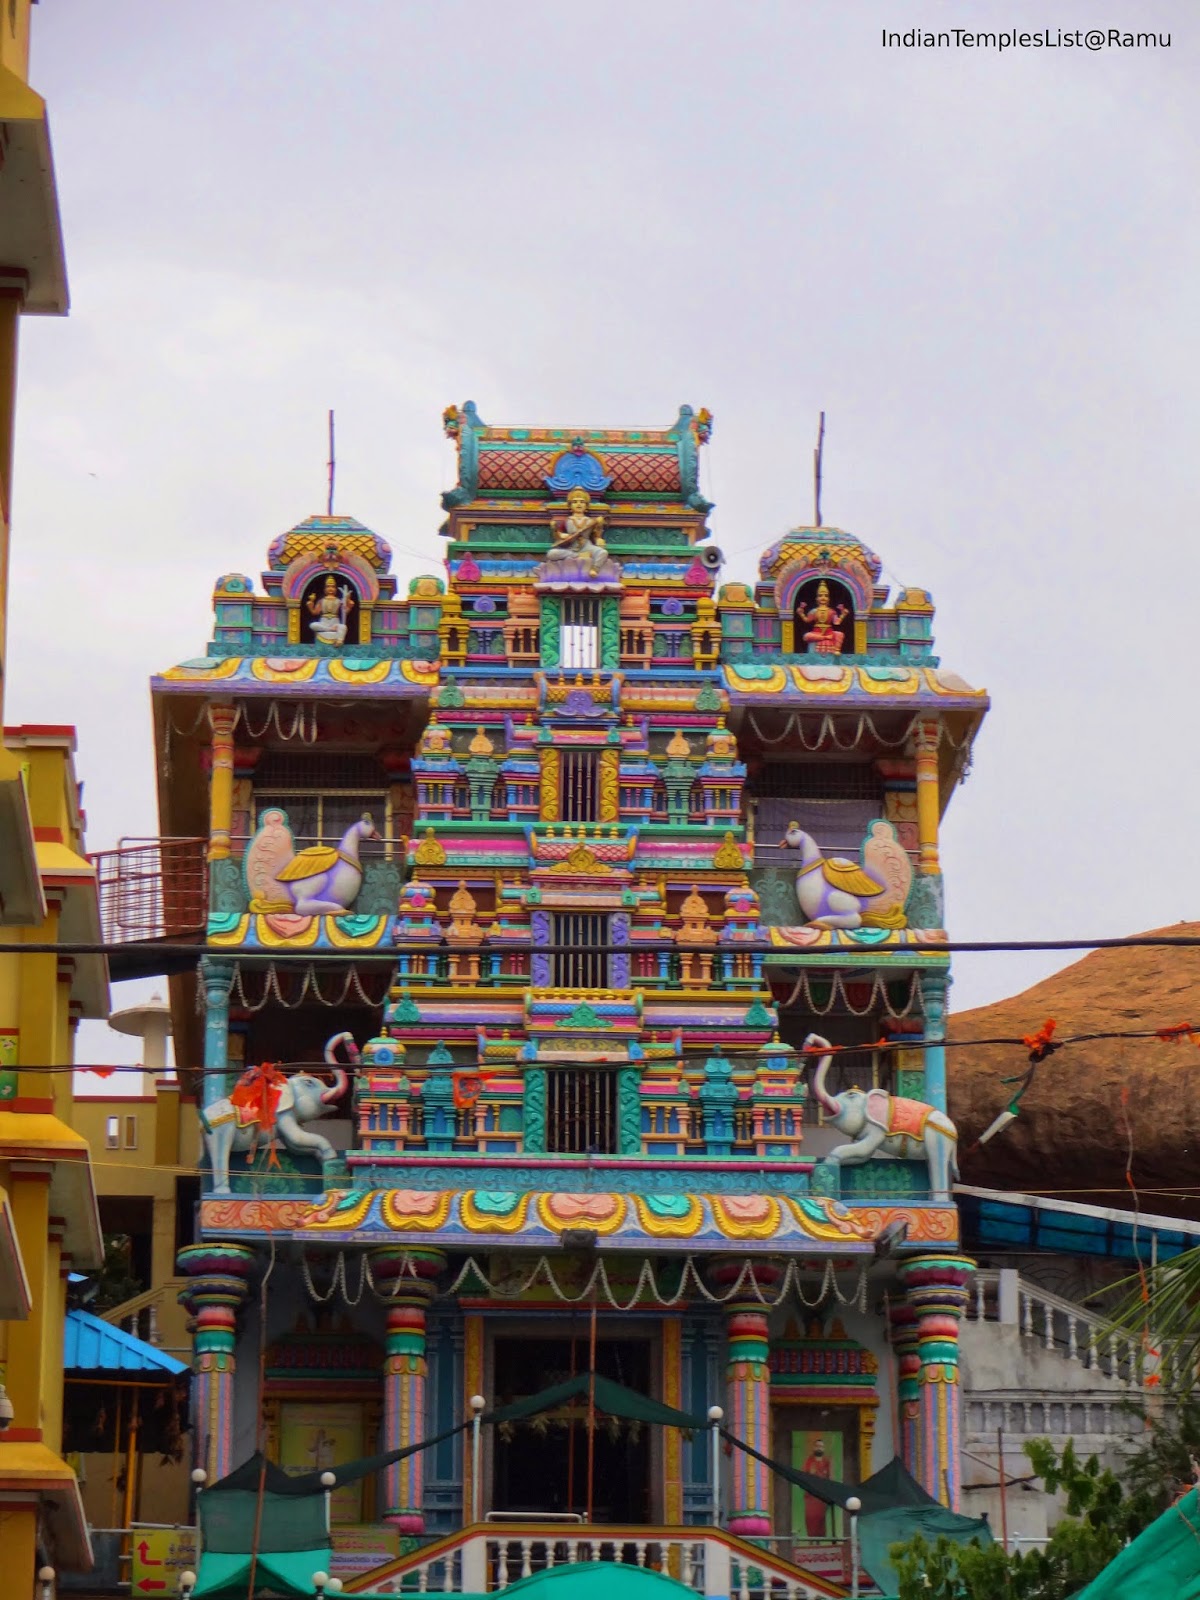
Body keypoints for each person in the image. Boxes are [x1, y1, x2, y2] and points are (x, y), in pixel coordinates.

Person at [545, 487, 610, 577]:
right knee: (551, 554)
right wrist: (558, 532)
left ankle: (595, 568)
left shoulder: (590, 521)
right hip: (571, 547)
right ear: (570, 506)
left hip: (587, 546)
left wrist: (599, 529)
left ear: (586, 506)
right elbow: (559, 537)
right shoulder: (567, 521)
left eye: (582, 502)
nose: (578, 504)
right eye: (575, 502)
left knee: (603, 552)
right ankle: (578, 555)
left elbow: (595, 536)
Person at [796, 581, 849, 654]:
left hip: (829, 633)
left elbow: (837, 622)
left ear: (828, 598)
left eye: (826, 596)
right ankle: (824, 638)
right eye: (820, 596)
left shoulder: (831, 611)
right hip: (816, 633)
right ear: (817, 598)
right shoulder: (814, 611)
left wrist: (843, 614)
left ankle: (836, 650)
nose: (823, 598)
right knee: (806, 636)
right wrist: (801, 613)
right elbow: (807, 620)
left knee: (840, 634)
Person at [307, 575, 354, 645]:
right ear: (325, 589)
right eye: (328, 587)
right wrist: (310, 606)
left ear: (336, 589)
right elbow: (315, 612)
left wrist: (348, 603)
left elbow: (345, 612)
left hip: (335, 623)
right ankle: (329, 629)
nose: (330, 589)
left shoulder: (339, 601)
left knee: (343, 627)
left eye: (333, 587)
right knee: (312, 625)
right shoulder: (321, 601)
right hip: (323, 623)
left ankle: (339, 640)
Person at [802, 1438, 834, 1538]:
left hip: (822, 1497)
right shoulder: (809, 1461)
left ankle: (819, 1541)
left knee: (821, 1520)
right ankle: (811, 1541)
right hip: (811, 1497)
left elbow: (830, 1479)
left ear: (823, 1449)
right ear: (814, 1448)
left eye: (821, 1446)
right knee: (810, 1519)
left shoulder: (827, 1462)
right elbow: (803, 1476)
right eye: (817, 1446)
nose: (819, 1448)